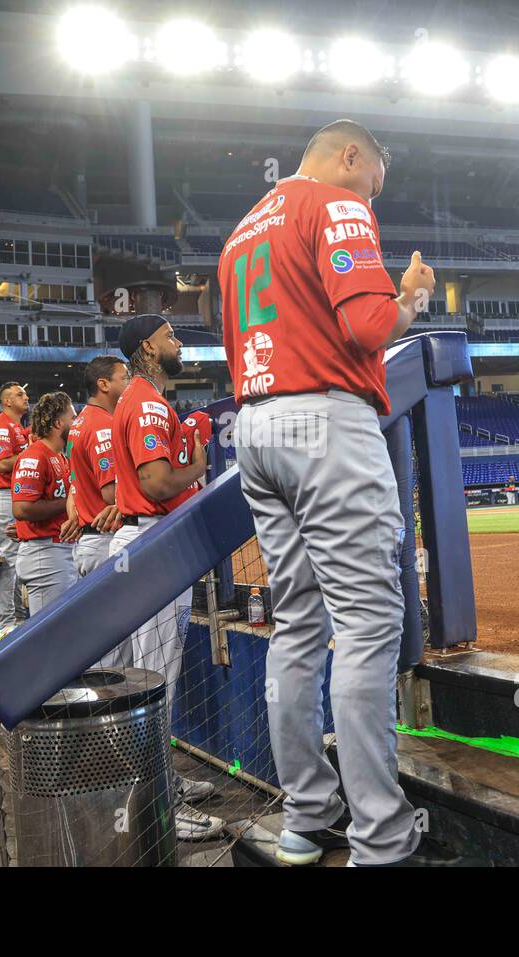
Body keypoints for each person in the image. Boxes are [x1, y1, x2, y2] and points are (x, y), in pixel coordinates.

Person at [219, 118, 456, 867]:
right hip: (326, 421)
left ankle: (307, 815)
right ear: (350, 155)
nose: (371, 195)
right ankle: (383, 840)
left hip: (255, 426)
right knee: (366, 623)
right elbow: (365, 326)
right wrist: (408, 294)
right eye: (373, 178)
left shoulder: (238, 234)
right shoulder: (336, 202)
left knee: (295, 622)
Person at [110, 313, 222, 841]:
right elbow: (155, 483)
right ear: (149, 350)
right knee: (157, 684)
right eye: (170, 336)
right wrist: (197, 467)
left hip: (144, 543)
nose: (178, 343)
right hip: (153, 545)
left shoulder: (136, 398)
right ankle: (158, 808)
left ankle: (160, 785)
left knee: (149, 680)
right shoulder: (148, 402)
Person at [68, 355, 130, 666]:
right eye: (124, 377)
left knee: (103, 645)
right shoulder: (101, 424)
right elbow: (111, 493)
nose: (129, 383)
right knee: (116, 654)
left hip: (91, 541)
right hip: (105, 541)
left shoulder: (80, 422)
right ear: (103, 384)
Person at [12, 392, 79, 614]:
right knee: (50, 638)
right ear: (59, 423)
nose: (77, 423)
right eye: (73, 417)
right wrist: (69, 502)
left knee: (64, 630)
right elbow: (22, 508)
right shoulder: (35, 456)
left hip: (58, 549)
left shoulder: (60, 456)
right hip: (45, 553)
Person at [0, 382, 30, 641]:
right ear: (7, 401)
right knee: (12, 559)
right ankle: (7, 622)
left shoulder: (16, 427)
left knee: (14, 560)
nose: (26, 397)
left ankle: (16, 618)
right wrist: (31, 453)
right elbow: (2, 464)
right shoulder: (2, 425)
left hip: (9, 496)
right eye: (19, 394)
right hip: (3, 496)